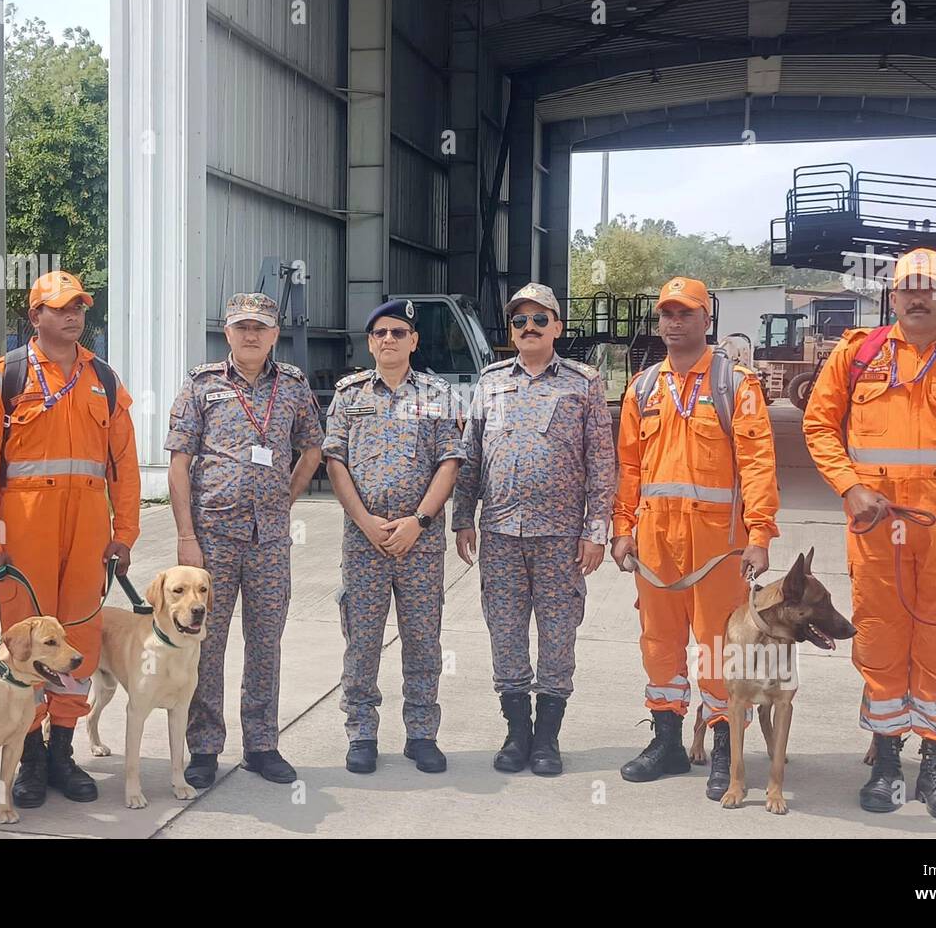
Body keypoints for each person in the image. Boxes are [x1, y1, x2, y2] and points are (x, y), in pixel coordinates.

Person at [802, 247, 936, 822]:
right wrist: (849, 486)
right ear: (893, 296)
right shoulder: (858, 355)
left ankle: (935, 762)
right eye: (908, 288)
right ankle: (885, 761)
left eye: (932, 288)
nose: (919, 297)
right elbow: (818, 425)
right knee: (879, 640)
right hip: (875, 525)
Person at [0, 270, 141, 807]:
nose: (72, 316)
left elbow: (125, 466)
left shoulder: (104, 379)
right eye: (60, 308)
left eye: (79, 308)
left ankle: (62, 749)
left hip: (88, 530)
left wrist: (125, 532)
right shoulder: (5, 376)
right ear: (34, 314)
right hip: (23, 532)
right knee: (25, 642)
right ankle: (29, 757)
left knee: (79, 639)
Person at [611, 276, 779, 800]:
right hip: (656, 544)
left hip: (718, 547)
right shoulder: (642, 388)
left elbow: (757, 464)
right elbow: (629, 468)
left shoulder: (736, 385)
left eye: (685, 313)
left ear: (707, 319)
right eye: (666, 314)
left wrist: (760, 534)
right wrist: (622, 529)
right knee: (660, 644)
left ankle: (724, 747)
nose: (674, 323)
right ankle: (666, 742)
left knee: (718, 647)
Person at [452, 282, 615, 776]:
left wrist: (596, 530)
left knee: (559, 635)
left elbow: (602, 461)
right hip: (501, 533)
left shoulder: (584, 382)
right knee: (505, 634)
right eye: (520, 321)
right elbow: (470, 454)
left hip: (562, 537)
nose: (529, 328)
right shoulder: (491, 381)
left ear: (557, 327)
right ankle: (516, 732)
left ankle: (548, 738)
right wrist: (463, 517)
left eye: (539, 319)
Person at [166, 292, 323, 787]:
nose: (251, 335)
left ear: (275, 333)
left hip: (270, 541)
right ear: (227, 333)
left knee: (265, 644)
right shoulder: (202, 384)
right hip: (212, 537)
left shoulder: (294, 386)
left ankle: (261, 744)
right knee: (205, 645)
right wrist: (186, 535)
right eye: (241, 327)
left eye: (260, 327)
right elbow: (178, 462)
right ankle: (205, 748)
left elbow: (313, 450)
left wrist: (285, 499)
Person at [323, 299, 464, 774]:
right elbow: (334, 461)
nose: (389, 340)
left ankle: (422, 733)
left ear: (414, 341)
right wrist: (364, 520)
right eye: (380, 332)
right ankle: (361, 733)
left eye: (399, 332)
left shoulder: (438, 394)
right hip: (364, 542)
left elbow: (450, 461)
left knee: (423, 640)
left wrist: (418, 522)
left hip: (419, 543)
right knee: (361, 640)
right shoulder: (348, 394)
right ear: (369, 341)